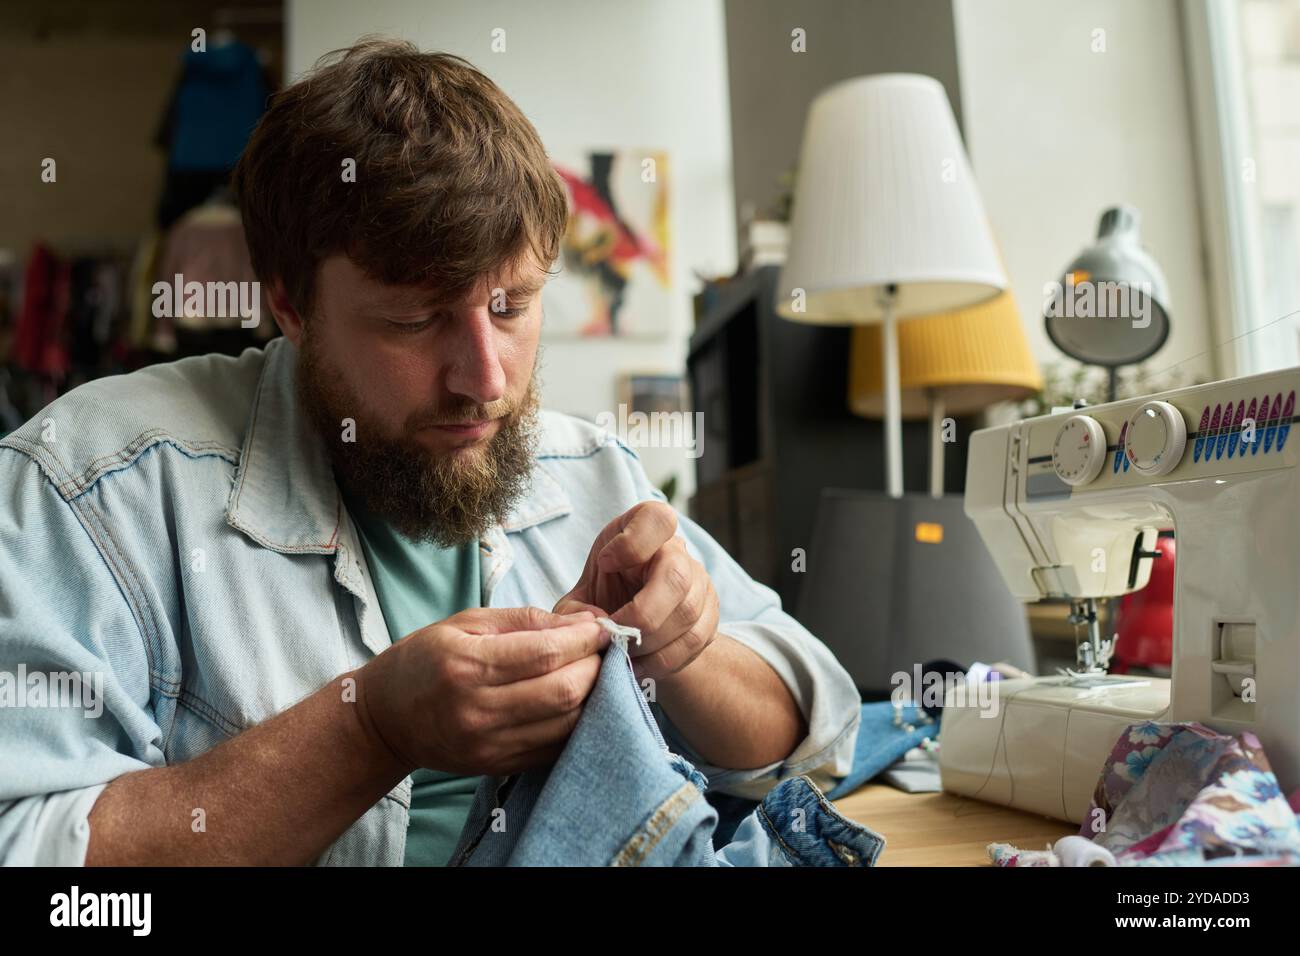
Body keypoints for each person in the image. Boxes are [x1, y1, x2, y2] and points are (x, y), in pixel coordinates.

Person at [0, 38, 860, 866]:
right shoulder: (90, 487)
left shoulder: (589, 470)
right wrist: (369, 730)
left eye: (513, 307)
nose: (485, 380)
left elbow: (814, 730)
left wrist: (687, 653)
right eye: (415, 321)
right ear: (291, 308)